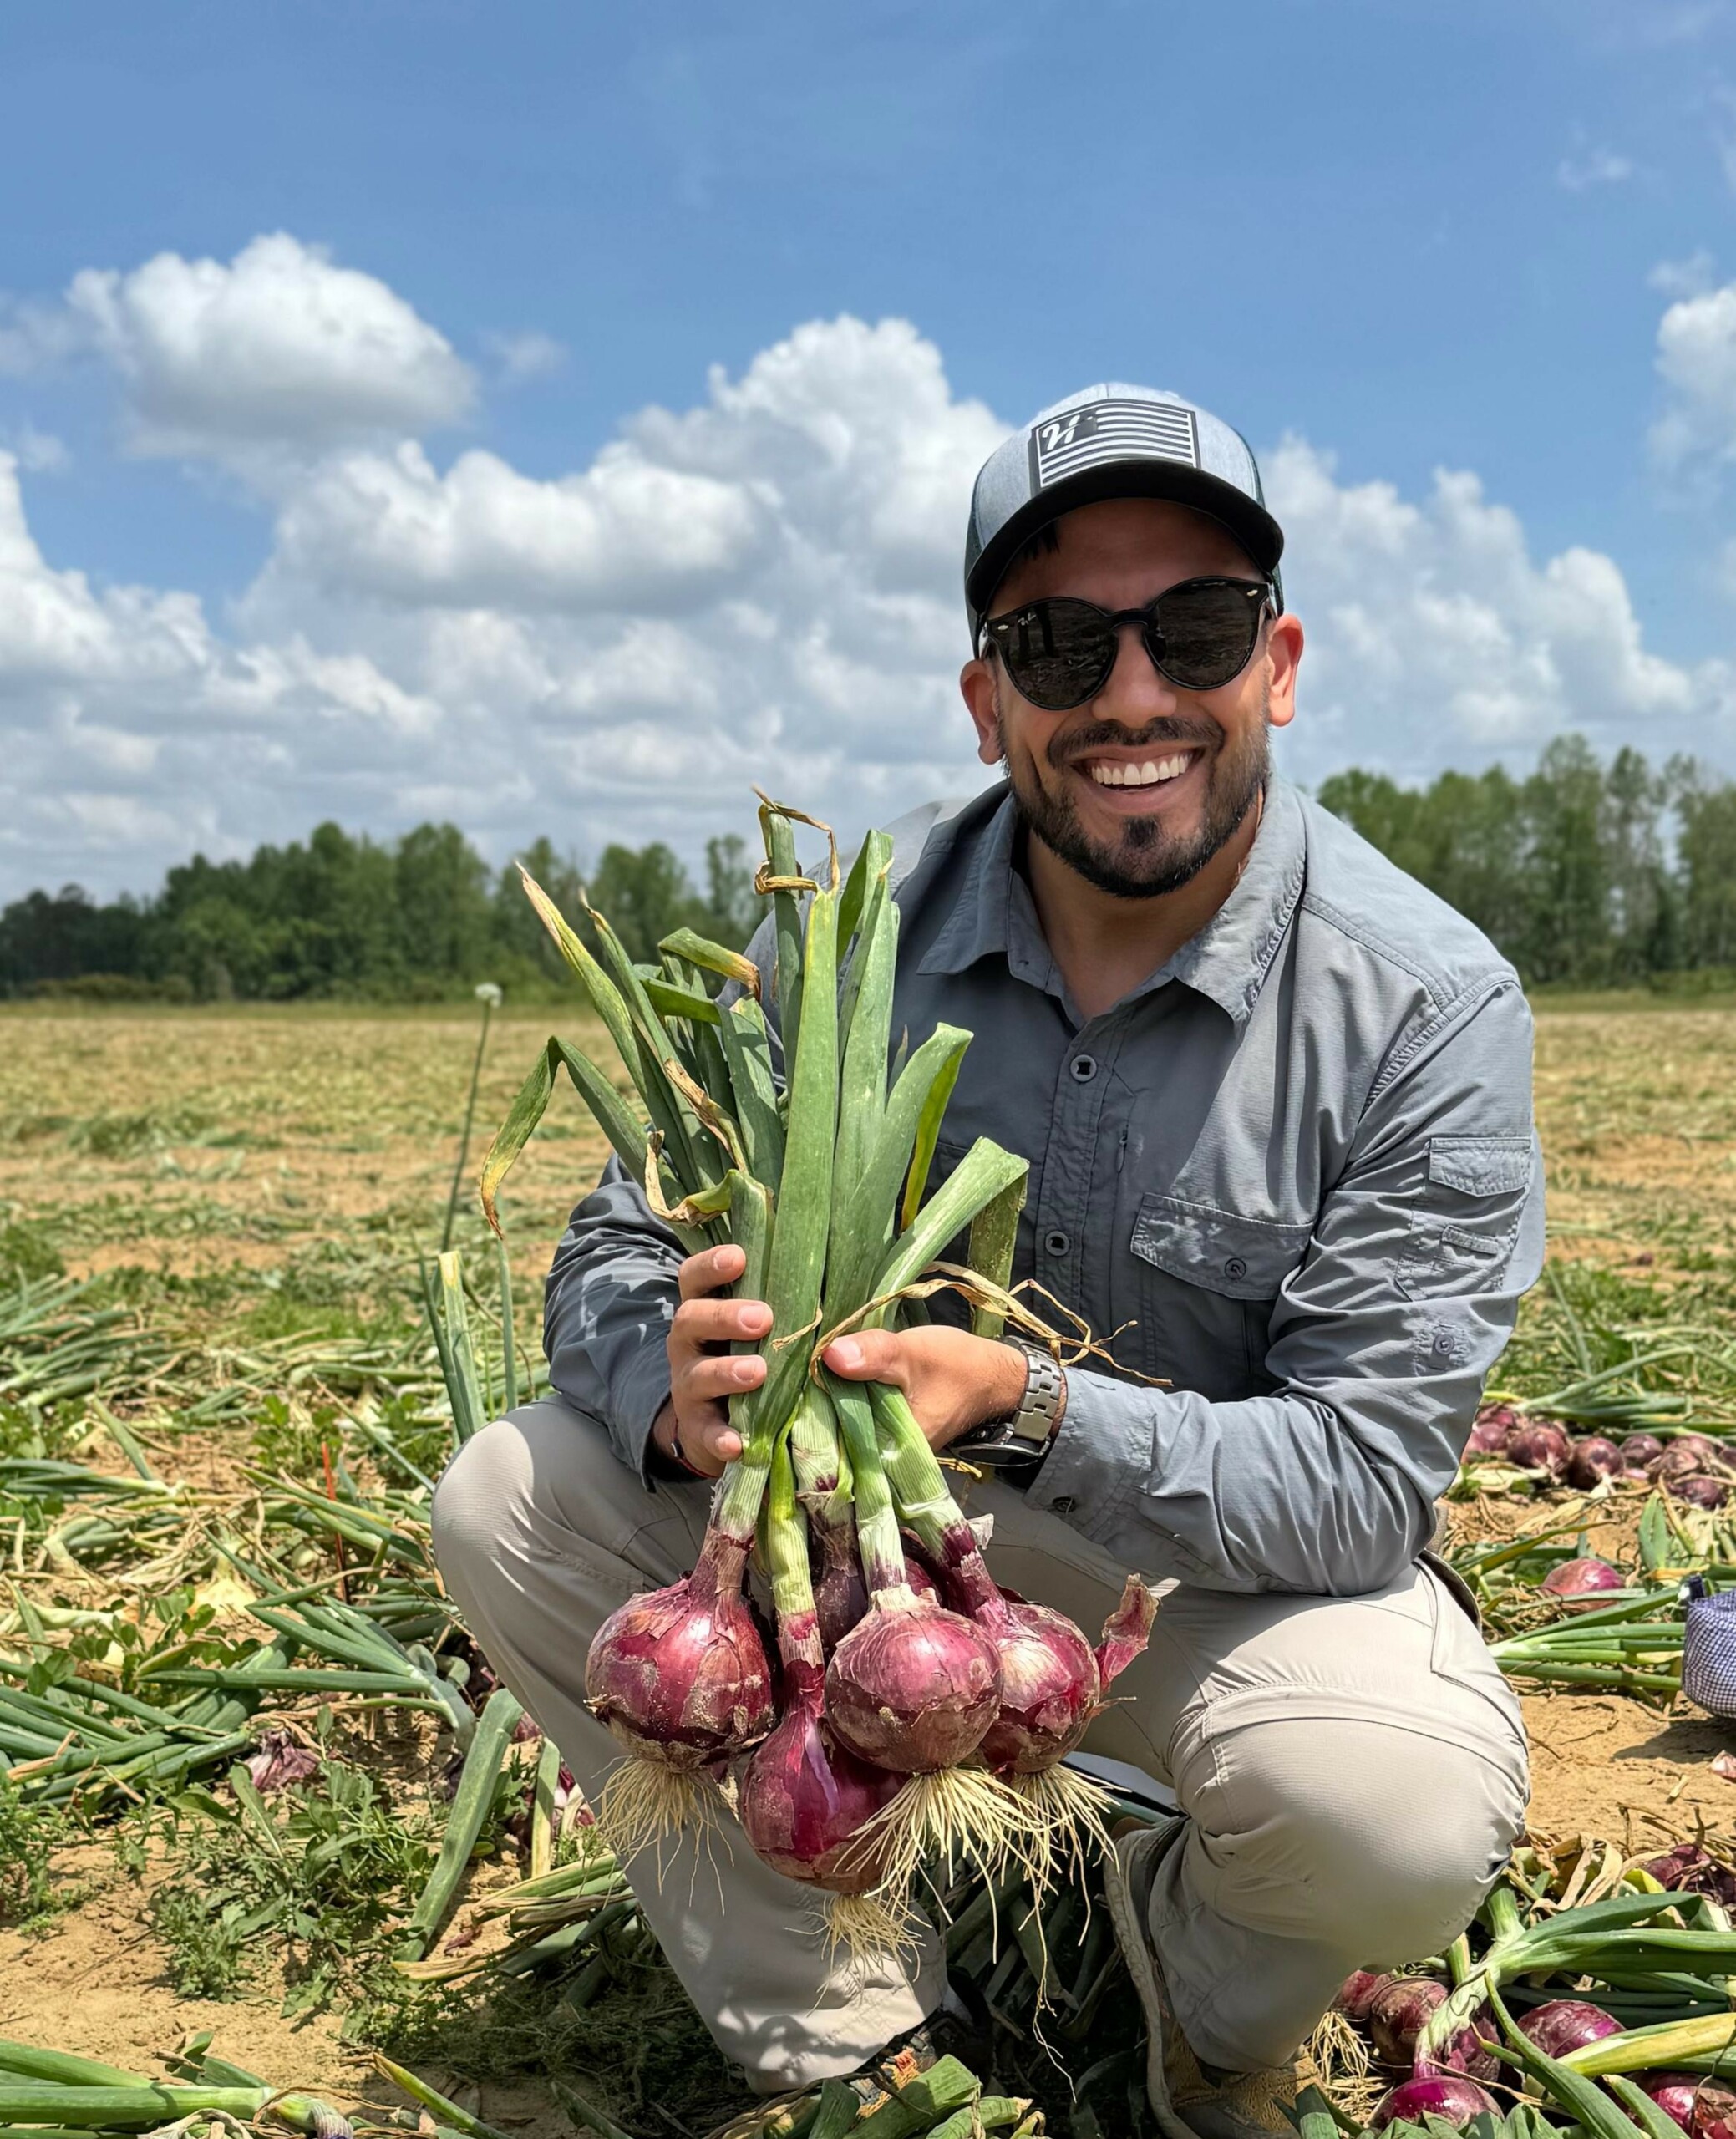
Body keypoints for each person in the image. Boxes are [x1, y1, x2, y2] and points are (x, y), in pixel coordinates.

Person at [432, 384, 1538, 2139]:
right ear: (984, 700)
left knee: (1391, 1808)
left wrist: (1024, 1402)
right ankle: (852, 2032)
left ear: (1277, 664)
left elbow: (1356, 1481)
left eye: (1192, 629)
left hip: (1222, 1573)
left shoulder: (1425, 1006)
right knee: (510, 1494)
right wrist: (668, 1372)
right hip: (860, 1542)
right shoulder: (838, 949)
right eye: (1057, 643)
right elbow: (615, 1239)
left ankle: (1185, 1997)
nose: (1130, 694)